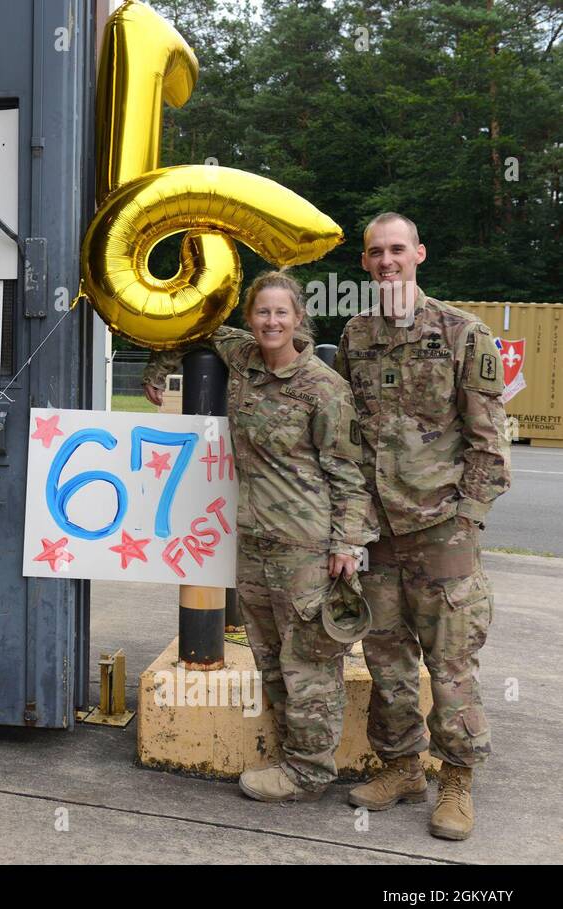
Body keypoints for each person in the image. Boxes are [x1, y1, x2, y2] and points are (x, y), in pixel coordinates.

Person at [144, 271, 378, 801]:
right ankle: (291, 758)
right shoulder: (244, 359)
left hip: (306, 548)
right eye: (262, 312)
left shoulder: (323, 388)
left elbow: (347, 472)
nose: (272, 322)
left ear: (299, 319)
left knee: (310, 662)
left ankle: (310, 772)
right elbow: (194, 328)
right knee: (269, 657)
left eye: (282, 313)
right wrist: (160, 367)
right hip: (252, 545)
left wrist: (346, 544)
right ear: (250, 317)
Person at [334, 212, 509, 840]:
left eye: (397, 249)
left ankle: (456, 779)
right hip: (378, 533)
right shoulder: (356, 335)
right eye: (376, 251)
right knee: (386, 659)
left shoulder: (463, 334)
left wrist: (467, 521)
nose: (387, 260)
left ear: (420, 254)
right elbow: (351, 435)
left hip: (442, 529)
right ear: (365, 262)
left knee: (452, 662)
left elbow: (490, 444)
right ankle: (403, 767)